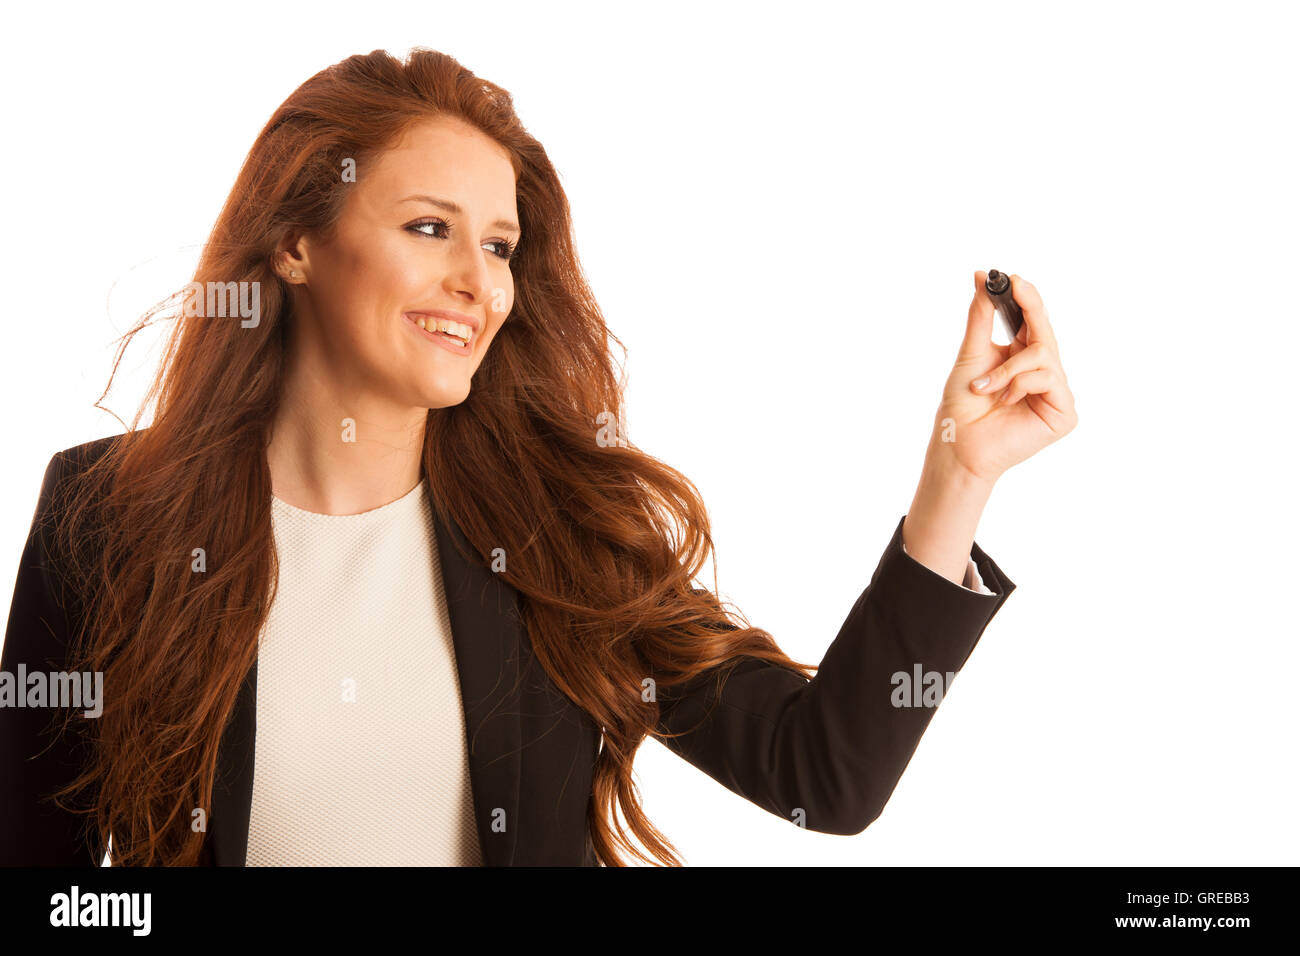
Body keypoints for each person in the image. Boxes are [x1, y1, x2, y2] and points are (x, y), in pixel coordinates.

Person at [0, 48, 1076, 867]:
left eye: (502, 245)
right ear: (295, 244)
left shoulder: (548, 535)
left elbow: (821, 773)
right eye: (430, 228)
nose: (481, 280)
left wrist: (958, 476)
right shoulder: (108, 514)